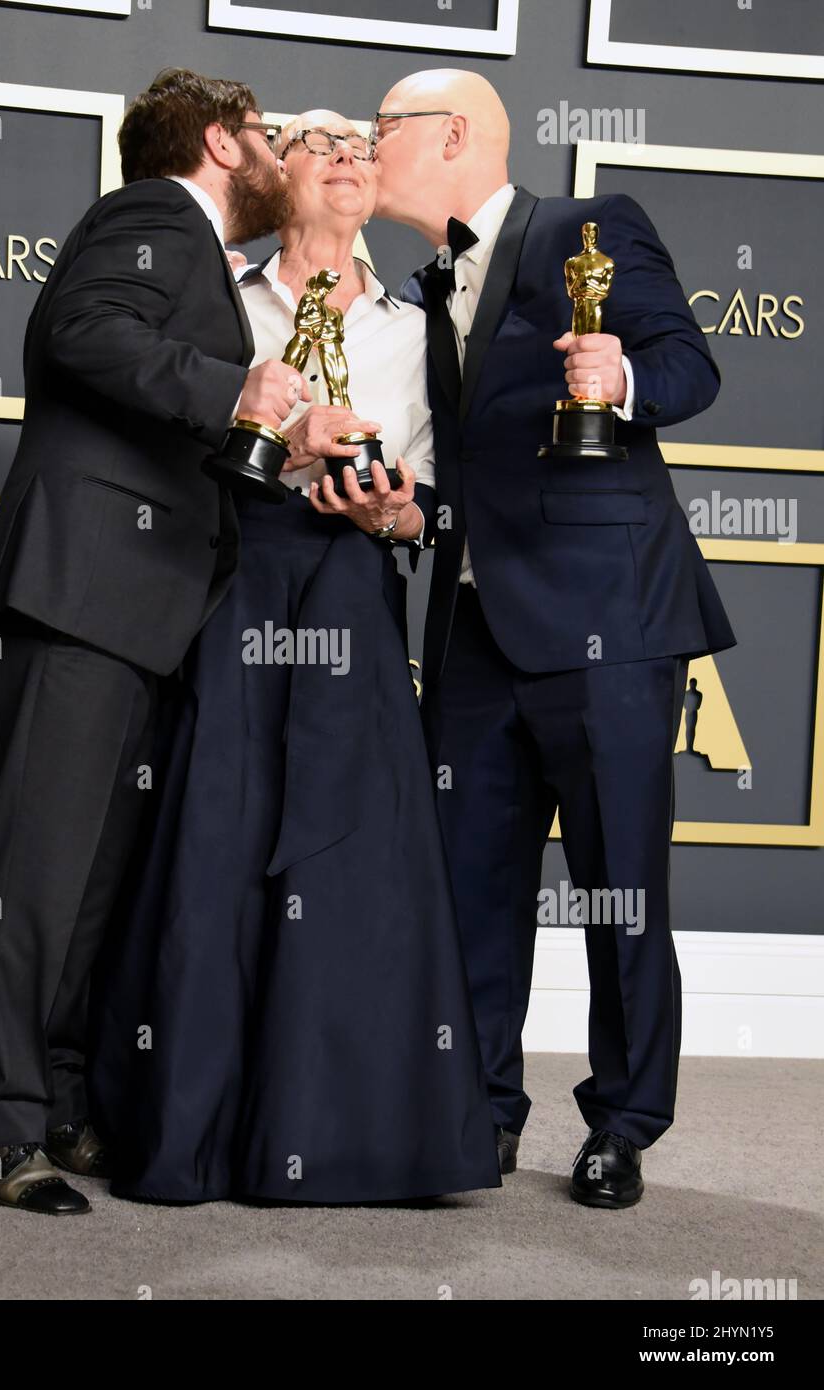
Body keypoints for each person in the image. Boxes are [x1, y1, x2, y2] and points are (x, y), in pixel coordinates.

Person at [88, 111, 501, 1205]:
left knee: (342, 845)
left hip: (352, 584)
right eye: (317, 144)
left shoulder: (421, 331)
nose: (347, 159)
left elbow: (436, 504)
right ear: (276, 173)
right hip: (231, 573)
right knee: (214, 829)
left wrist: (398, 519)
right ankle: (187, 1129)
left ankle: (344, 1128)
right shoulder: (221, 297)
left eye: (361, 148)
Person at [0, 69, 310, 1215]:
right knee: (40, 880)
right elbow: (84, 332)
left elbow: (167, 414)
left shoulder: (198, 255)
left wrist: (288, 447)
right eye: (266, 136)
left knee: (90, 885)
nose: (279, 158)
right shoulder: (152, 214)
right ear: (217, 140)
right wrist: (239, 387)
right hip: (78, 594)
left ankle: (56, 1102)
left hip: (134, 609)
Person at [371, 69, 735, 1208]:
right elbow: (466, 473)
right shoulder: (420, 286)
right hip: (476, 627)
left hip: (610, 621)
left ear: (449, 136)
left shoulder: (590, 227)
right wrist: (409, 513)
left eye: (380, 129)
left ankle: (621, 1123)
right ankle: (477, 1116)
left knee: (618, 884)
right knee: (468, 886)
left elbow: (690, 367)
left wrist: (618, 373)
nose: (363, 147)